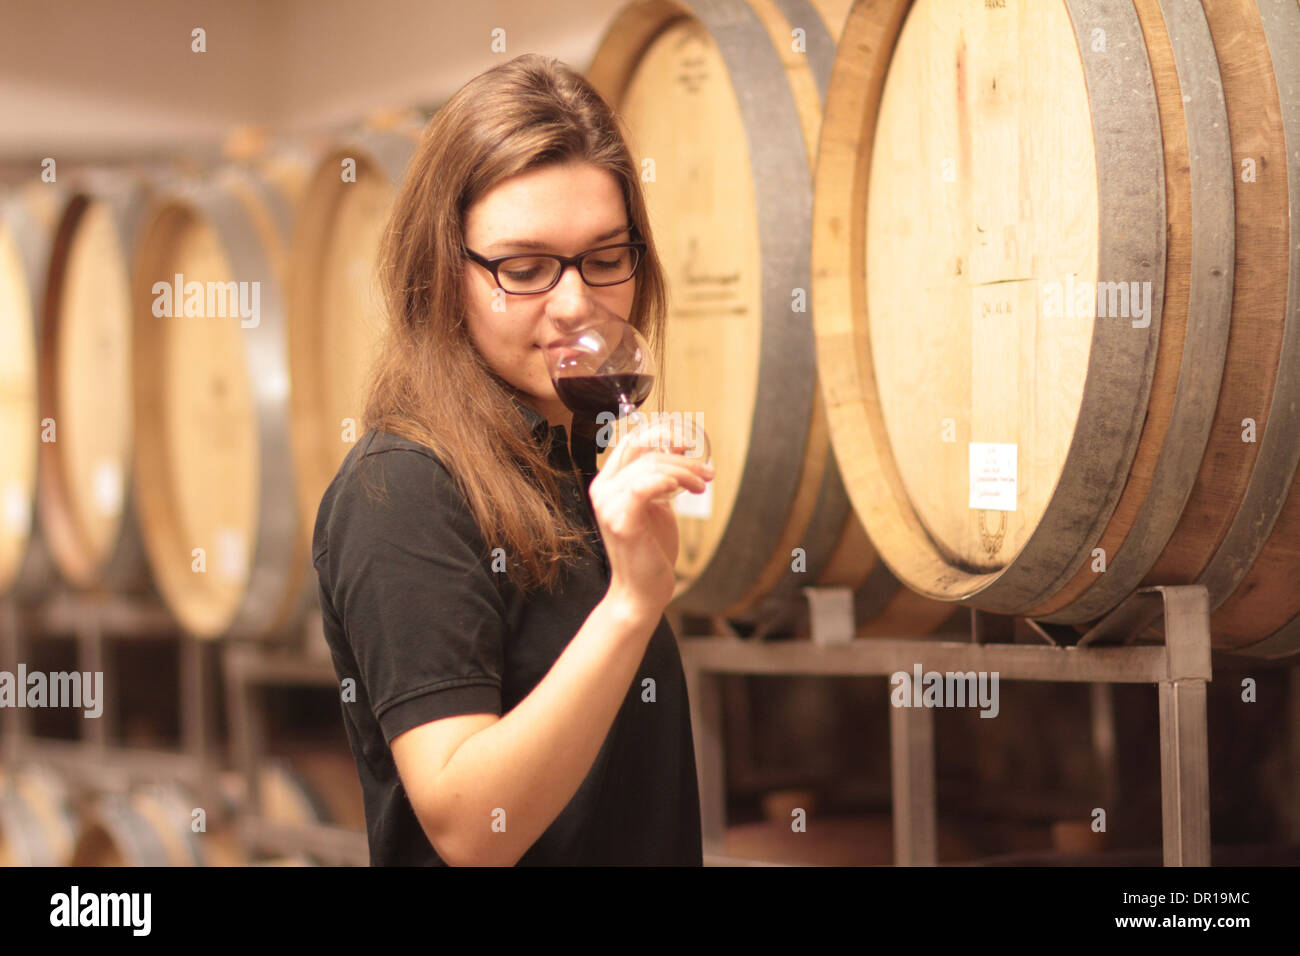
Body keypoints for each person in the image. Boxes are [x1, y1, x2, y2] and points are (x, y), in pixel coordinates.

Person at [311, 53, 715, 866]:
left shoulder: (576, 459)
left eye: (606, 258)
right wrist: (632, 605)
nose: (576, 304)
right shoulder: (404, 492)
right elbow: (469, 825)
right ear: (443, 270)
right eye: (524, 269)